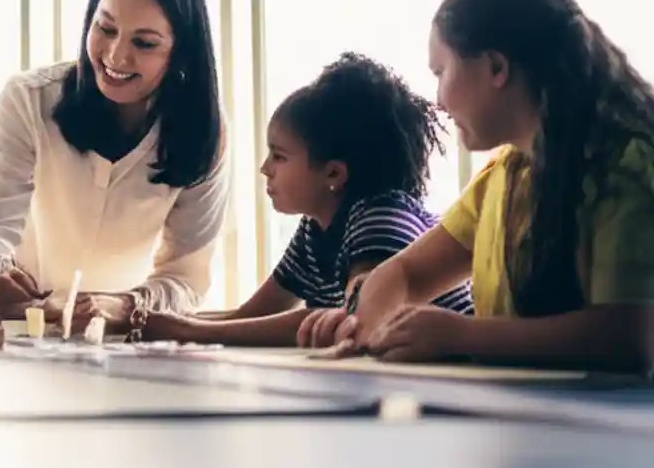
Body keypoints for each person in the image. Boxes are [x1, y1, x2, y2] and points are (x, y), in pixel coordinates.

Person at [300, 0, 654, 373]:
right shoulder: (503, 178)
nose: (438, 101)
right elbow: (405, 274)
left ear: (496, 68)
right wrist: (366, 326)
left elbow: (628, 338)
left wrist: (461, 334)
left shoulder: (628, 170)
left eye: (441, 72)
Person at [0, 0, 232, 334]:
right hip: (24, 331)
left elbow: (186, 280)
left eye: (144, 43)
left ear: (181, 53)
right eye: (105, 29)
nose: (116, 56)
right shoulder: (28, 100)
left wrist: (126, 305)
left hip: (123, 340)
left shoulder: (206, 132)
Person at [138, 53, 471, 345]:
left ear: (333, 174)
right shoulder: (314, 230)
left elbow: (347, 319)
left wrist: (191, 331)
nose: (265, 168)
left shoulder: (380, 217)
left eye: (279, 157)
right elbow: (251, 315)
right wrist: (147, 321)